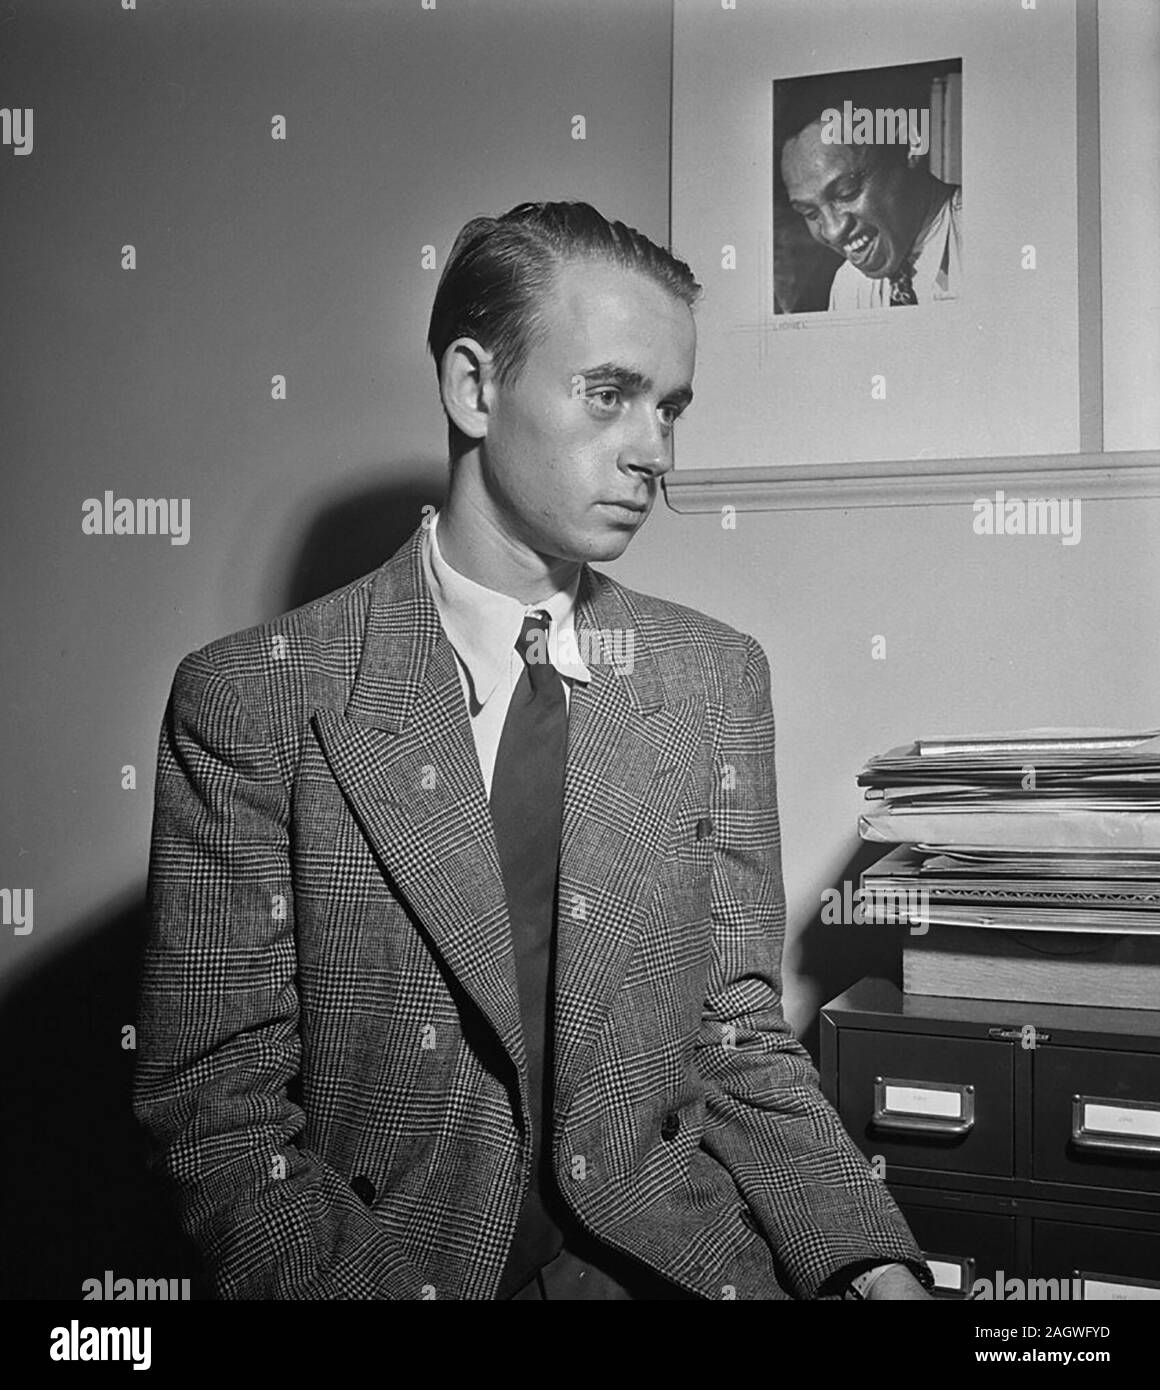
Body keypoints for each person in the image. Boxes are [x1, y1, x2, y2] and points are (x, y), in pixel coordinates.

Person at [133, 200, 933, 1300]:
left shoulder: (712, 679)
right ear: (473, 386)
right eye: (609, 394)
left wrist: (872, 1262)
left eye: (670, 408)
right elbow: (218, 1118)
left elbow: (739, 1036)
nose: (654, 452)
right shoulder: (251, 700)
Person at [779, 76, 961, 311]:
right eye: (811, 213)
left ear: (908, 144)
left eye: (846, 193)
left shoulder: (986, 238)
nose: (833, 232)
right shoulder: (847, 287)